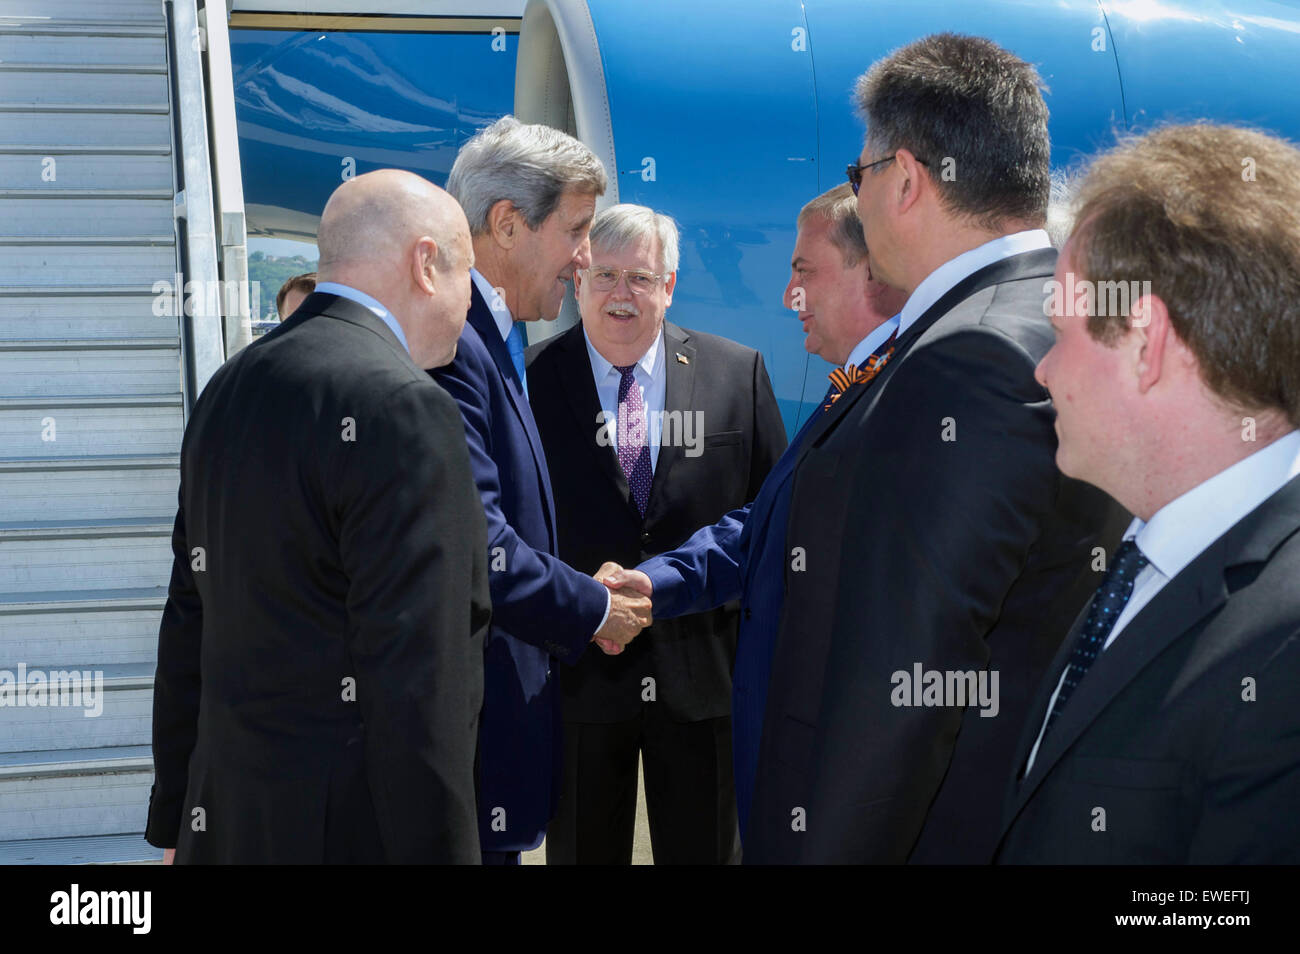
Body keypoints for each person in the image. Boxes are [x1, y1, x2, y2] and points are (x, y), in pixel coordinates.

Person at [744, 33, 1124, 864]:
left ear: (907, 179)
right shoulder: (1058, 313)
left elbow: (902, 691)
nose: (861, 195)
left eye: (860, 175)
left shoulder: (966, 358)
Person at [146, 170, 489, 864]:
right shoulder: (406, 406)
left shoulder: (227, 388)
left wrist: (177, 816)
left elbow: (189, 617)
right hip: (348, 833)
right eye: (469, 278)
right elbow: (419, 678)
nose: (470, 304)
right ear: (426, 264)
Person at [997, 124, 1300, 863]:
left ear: (1146, 342)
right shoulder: (1147, 560)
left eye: (1060, 335)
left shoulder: (1285, 642)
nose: (1043, 374)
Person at [603, 184, 908, 847]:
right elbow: (773, 519)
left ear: (869, 270)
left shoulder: (904, 391)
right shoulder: (859, 385)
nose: (787, 297)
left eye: (804, 272)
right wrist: (657, 582)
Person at [526, 204, 787, 864]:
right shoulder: (526, 382)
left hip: (702, 682)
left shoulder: (738, 373)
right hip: (577, 676)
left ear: (669, 285)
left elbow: (773, 520)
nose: (621, 294)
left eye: (640, 278)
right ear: (579, 281)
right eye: (605, 275)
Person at [434, 117, 652, 865]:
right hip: (469, 737)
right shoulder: (455, 343)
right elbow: (480, 545)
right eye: (577, 230)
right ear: (506, 225)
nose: (585, 259)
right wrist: (594, 607)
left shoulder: (489, 341)